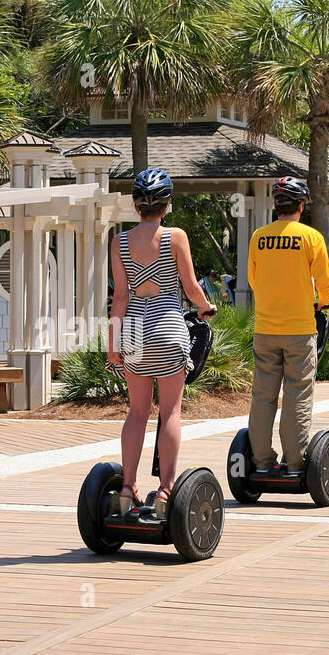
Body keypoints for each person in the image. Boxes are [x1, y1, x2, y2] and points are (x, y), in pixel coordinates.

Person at [107, 168, 215, 518]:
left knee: (137, 412)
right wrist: (205, 307)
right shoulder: (175, 236)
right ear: (166, 205)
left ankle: (126, 488)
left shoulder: (120, 241)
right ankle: (167, 491)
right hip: (168, 326)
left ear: (136, 205)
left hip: (134, 329)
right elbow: (191, 286)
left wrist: (113, 345)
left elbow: (119, 298)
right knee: (170, 411)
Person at [245, 176, 329, 473]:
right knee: (297, 393)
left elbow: (253, 280)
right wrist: (323, 301)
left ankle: (259, 461)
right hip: (299, 329)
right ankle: (294, 462)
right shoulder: (311, 237)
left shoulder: (259, 236)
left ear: (276, 205)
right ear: (301, 204)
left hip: (266, 328)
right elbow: (325, 284)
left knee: (263, 396)